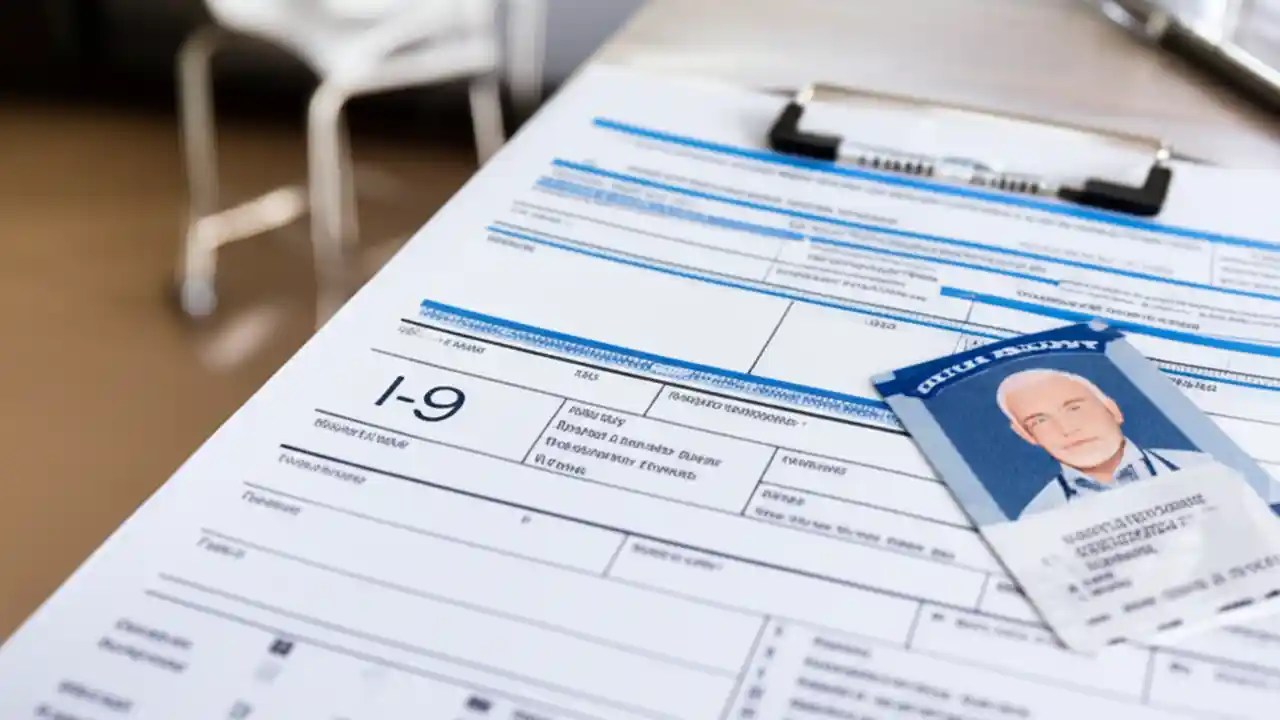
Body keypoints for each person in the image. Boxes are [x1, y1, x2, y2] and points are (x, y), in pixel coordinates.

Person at [996, 368, 1210, 518]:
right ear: (1027, 436)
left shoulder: (1205, 467)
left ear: (1112, 410)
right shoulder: (1035, 519)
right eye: (1039, 421)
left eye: (1074, 408)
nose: (1067, 429)